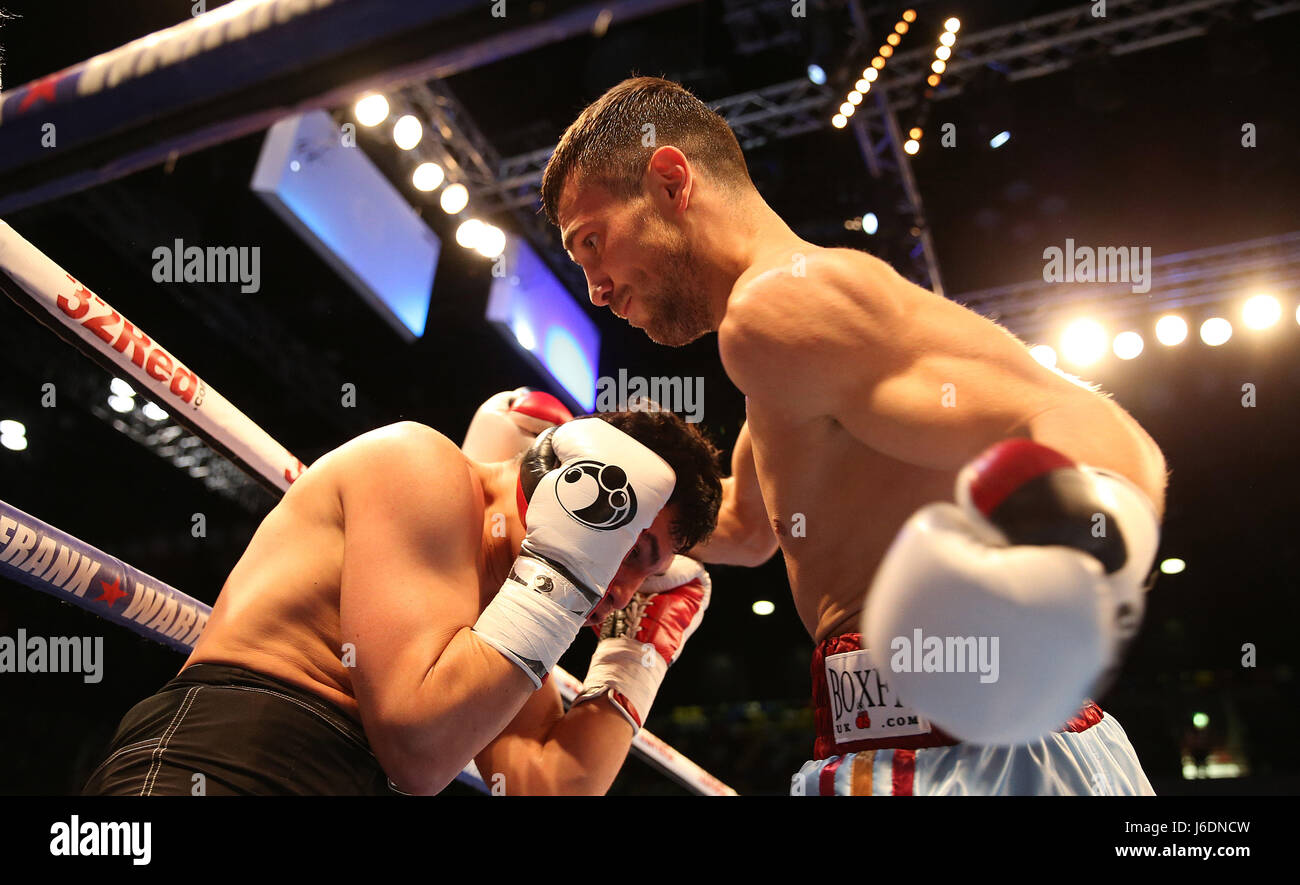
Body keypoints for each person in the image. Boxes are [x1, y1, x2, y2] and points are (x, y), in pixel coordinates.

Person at [541, 76, 1168, 795]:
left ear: (671, 180)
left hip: (976, 755)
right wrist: (582, 486)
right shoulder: (770, 343)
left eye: (593, 243)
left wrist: (1061, 575)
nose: (595, 288)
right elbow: (747, 526)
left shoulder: (779, 305)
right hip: (899, 748)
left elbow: (1094, 427)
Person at [82, 390, 722, 795]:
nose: (626, 590)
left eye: (652, 573)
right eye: (631, 550)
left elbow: (544, 789)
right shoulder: (421, 465)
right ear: (584, 485)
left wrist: (635, 660)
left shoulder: (507, 617)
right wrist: (568, 575)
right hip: (232, 758)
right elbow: (419, 752)